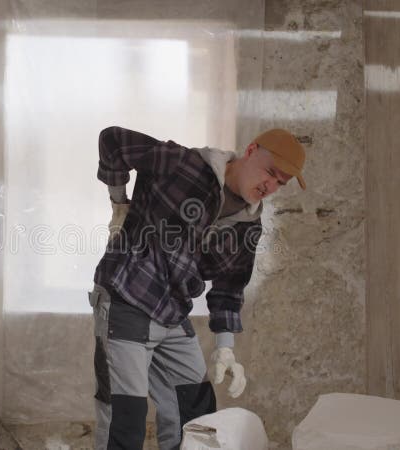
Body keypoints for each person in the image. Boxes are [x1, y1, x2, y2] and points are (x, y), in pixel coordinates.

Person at [89, 126, 307, 449]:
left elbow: (230, 287)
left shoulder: (248, 224)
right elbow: (112, 140)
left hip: (171, 311)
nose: (270, 186)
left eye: (280, 183)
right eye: (270, 173)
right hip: (127, 297)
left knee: (197, 410)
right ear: (249, 152)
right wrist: (118, 203)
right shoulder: (182, 164)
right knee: (126, 416)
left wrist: (225, 348)